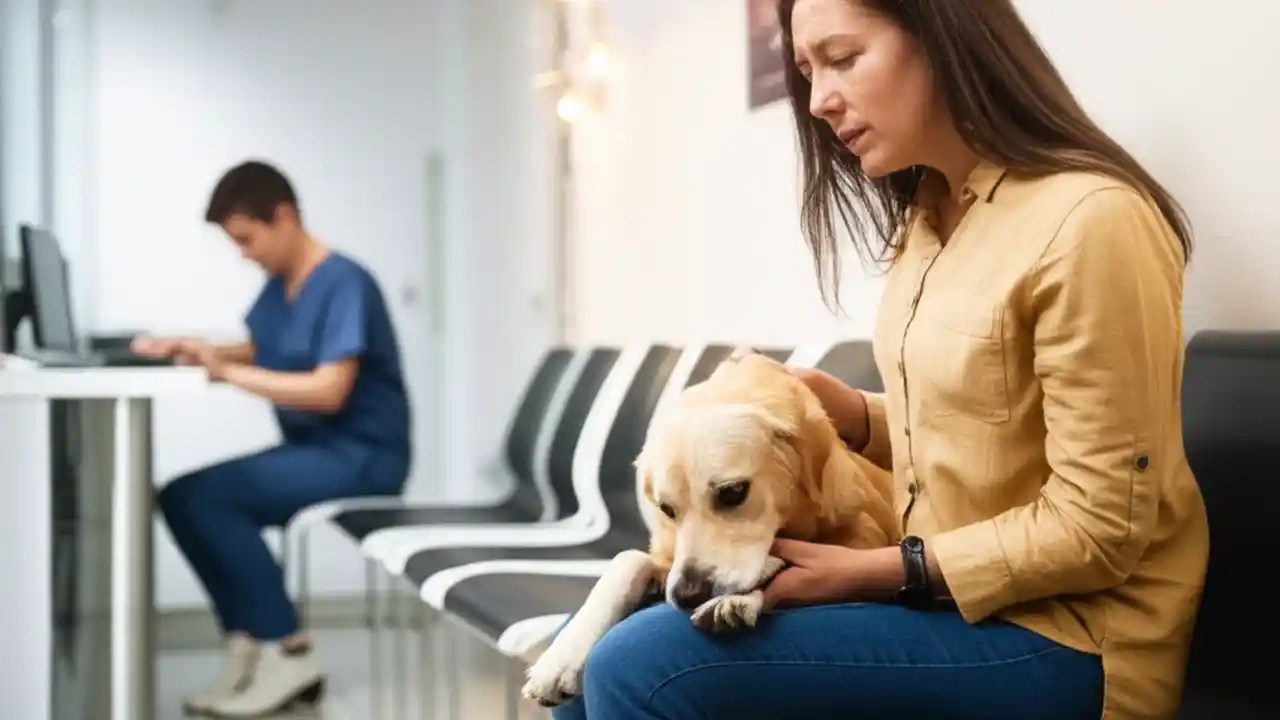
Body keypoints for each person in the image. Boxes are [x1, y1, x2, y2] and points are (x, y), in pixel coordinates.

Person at [553, 1, 1208, 719]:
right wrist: (855, 417)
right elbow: (993, 428)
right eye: (806, 71)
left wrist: (875, 573)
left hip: (1069, 639)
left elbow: (1101, 526)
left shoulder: (1091, 221)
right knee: (587, 647)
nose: (818, 100)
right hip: (953, 607)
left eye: (842, 58)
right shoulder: (931, 220)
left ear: (941, 34)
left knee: (641, 666)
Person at [135, 160, 412, 718]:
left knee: (211, 498)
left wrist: (225, 372)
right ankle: (250, 643)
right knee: (180, 497)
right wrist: (200, 348)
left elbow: (330, 389)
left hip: (363, 457)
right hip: (314, 452)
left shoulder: (344, 281)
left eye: (246, 239)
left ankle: (288, 648)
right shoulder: (281, 286)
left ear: (283, 216)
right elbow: (267, 347)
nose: (243, 254)